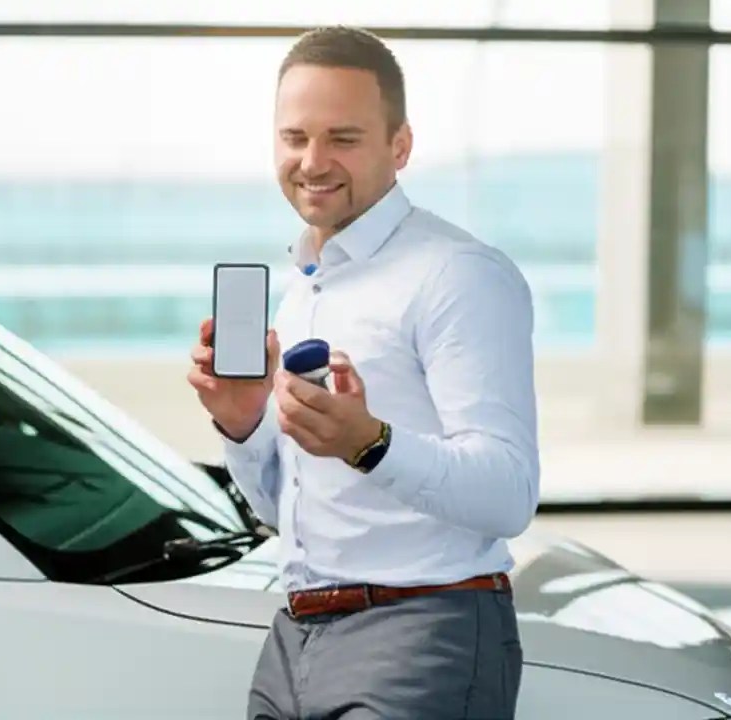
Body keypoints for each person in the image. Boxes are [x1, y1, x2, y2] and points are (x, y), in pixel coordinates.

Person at [188, 26, 540, 719]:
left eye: (342, 138)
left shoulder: (458, 275)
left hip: (422, 635)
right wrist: (243, 423)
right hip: (295, 636)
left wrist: (368, 442)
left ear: (399, 146)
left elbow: (509, 494)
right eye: (294, 137)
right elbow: (295, 513)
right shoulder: (307, 286)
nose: (313, 161)